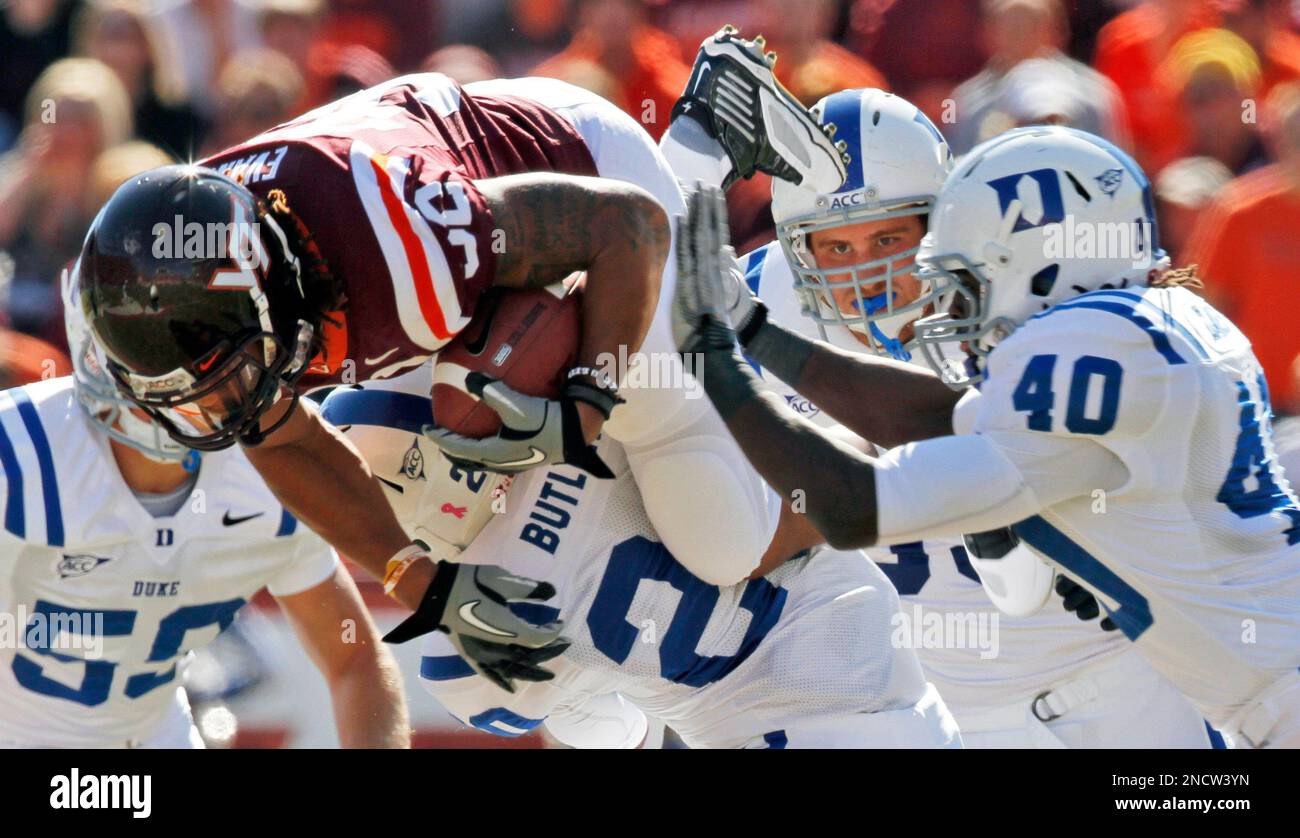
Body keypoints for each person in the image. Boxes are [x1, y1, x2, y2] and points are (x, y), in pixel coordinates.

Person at [76, 29, 848, 687]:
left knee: (718, 540)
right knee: (402, 469)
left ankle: (826, 396)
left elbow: (628, 226)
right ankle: (700, 162)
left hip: (591, 170)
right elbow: (278, 435)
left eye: (230, 379)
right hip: (456, 202)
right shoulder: (222, 271)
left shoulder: (397, 255)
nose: (223, 412)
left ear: (266, 295)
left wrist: (586, 402)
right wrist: (424, 587)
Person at [672, 126, 1300, 748]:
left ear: (1045, 261)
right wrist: (752, 327)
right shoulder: (1146, 324)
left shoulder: (1089, 348)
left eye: (969, 279)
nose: (955, 307)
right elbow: (933, 418)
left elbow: (852, 504)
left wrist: (714, 355)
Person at [317, 370, 961, 750]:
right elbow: (836, 472)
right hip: (910, 710)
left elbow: (618, 735)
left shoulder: (459, 658)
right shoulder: (598, 413)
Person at [0, 273, 408, 748]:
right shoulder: (20, 454)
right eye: (150, 345)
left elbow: (354, 660)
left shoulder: (268, 480)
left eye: (202, 348)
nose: (177, 374)